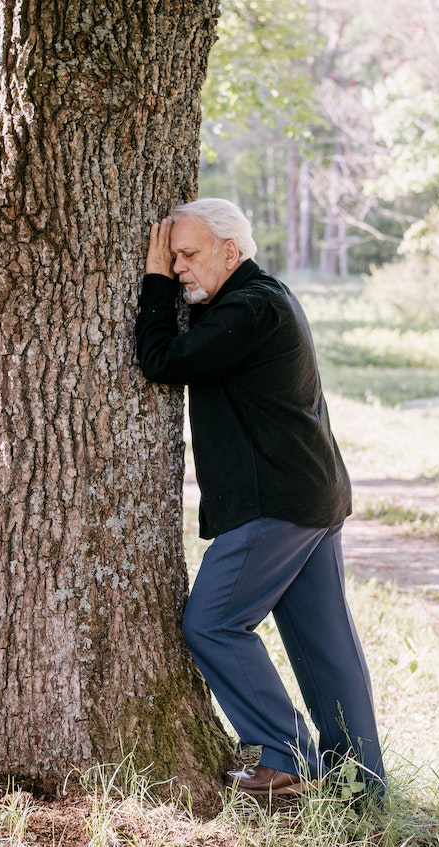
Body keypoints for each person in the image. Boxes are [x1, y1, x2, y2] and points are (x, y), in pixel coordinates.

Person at [134, 198, 386, 799]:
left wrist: (151, 282)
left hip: (279, 502)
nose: (179, 269)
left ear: (230, 250)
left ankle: (288, 756)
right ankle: (362, 791)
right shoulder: (261, 298)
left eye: (188, 255)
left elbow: (160, 359)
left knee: (213, 624)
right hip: (312, 494)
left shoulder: (250, 308)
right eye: (172, 260)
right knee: (327, 650)